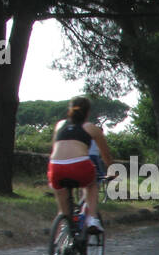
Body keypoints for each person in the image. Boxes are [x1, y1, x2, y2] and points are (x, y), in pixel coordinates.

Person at [48, 96, 113, 231]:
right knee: (92, 183)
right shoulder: (91, 128)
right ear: (88, 112)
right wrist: (113, 170)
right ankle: (92, 219)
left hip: (56, 167)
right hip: (79, 166)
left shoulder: (60, 125)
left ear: (69, 110)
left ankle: (57, 249)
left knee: (63, 212)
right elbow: (105, 155)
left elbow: (55, 147)